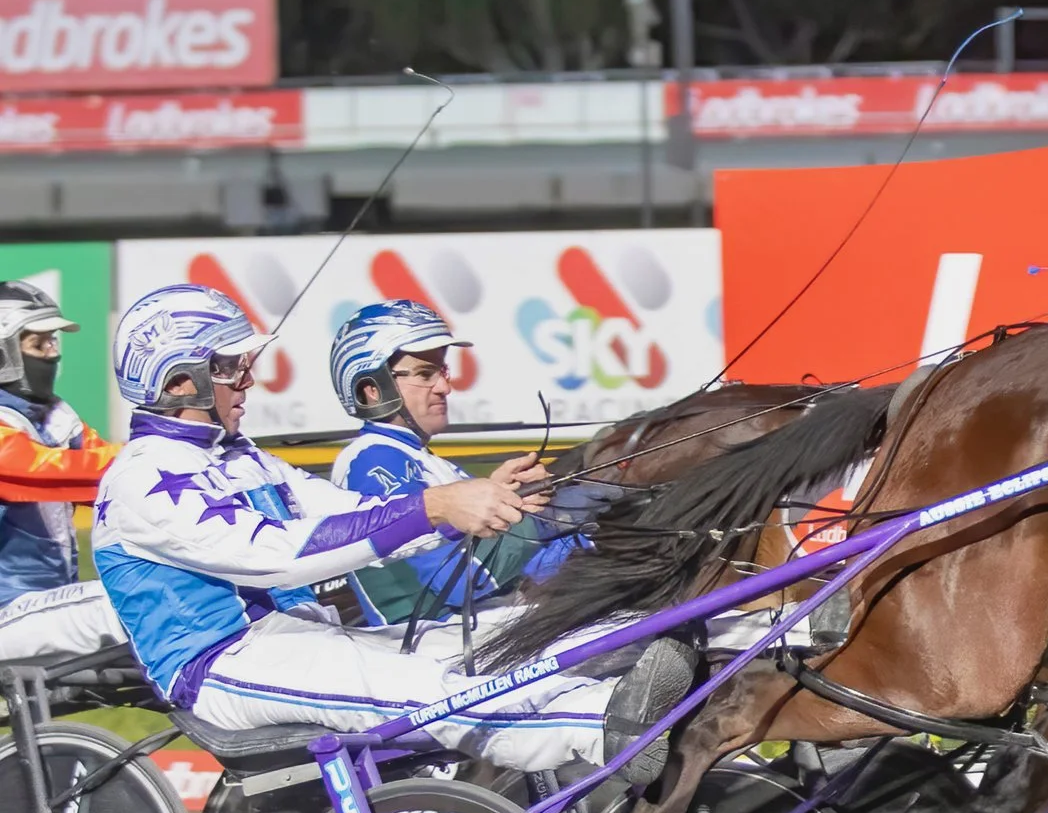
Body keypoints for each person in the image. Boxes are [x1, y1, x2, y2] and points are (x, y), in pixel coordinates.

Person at [92, 285, 695, 779]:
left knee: (516, 632)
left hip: (307, 636)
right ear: (176, 381)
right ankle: (603, 727)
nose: (246, 381)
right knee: (422, 687)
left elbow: (353, 512)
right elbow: (278, 556)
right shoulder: (142, 478)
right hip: (223, 665)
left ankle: (649, 669)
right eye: (228, 368)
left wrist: (481, 498)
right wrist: (433, 507)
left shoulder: (244, 458)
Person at [326, 299, 577, 628]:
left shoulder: (427, 462)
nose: (445, 387)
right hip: (433, 646)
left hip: (492, 628)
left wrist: (587, 537)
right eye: (425, 374)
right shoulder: (372, 461)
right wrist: (534, 517)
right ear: (373, 390)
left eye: (442, 371)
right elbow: (460, 581)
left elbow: (539, 564)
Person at [0, 281, 129, 661]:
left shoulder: (56, 415)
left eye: (54, 342)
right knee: (146, 599)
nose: (53, 354)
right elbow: (39, 472)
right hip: (7, 612)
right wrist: (158, 456)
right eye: (39, 344)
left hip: (41, 608)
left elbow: (114, 479)